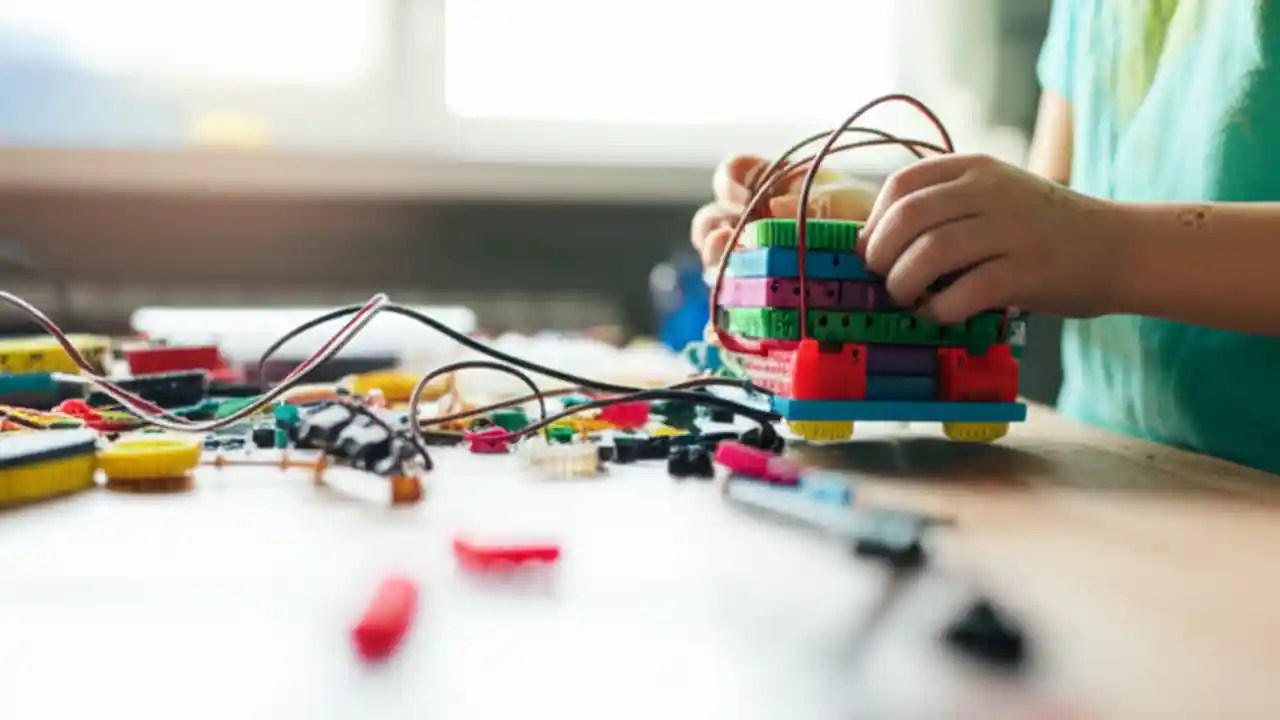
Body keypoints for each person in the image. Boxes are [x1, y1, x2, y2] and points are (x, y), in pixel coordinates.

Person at [691, 0, 1280, 474]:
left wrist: (1115, 250)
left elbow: (1085, 237)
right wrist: (886, 231)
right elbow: (1048, 228)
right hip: (1101, 468)